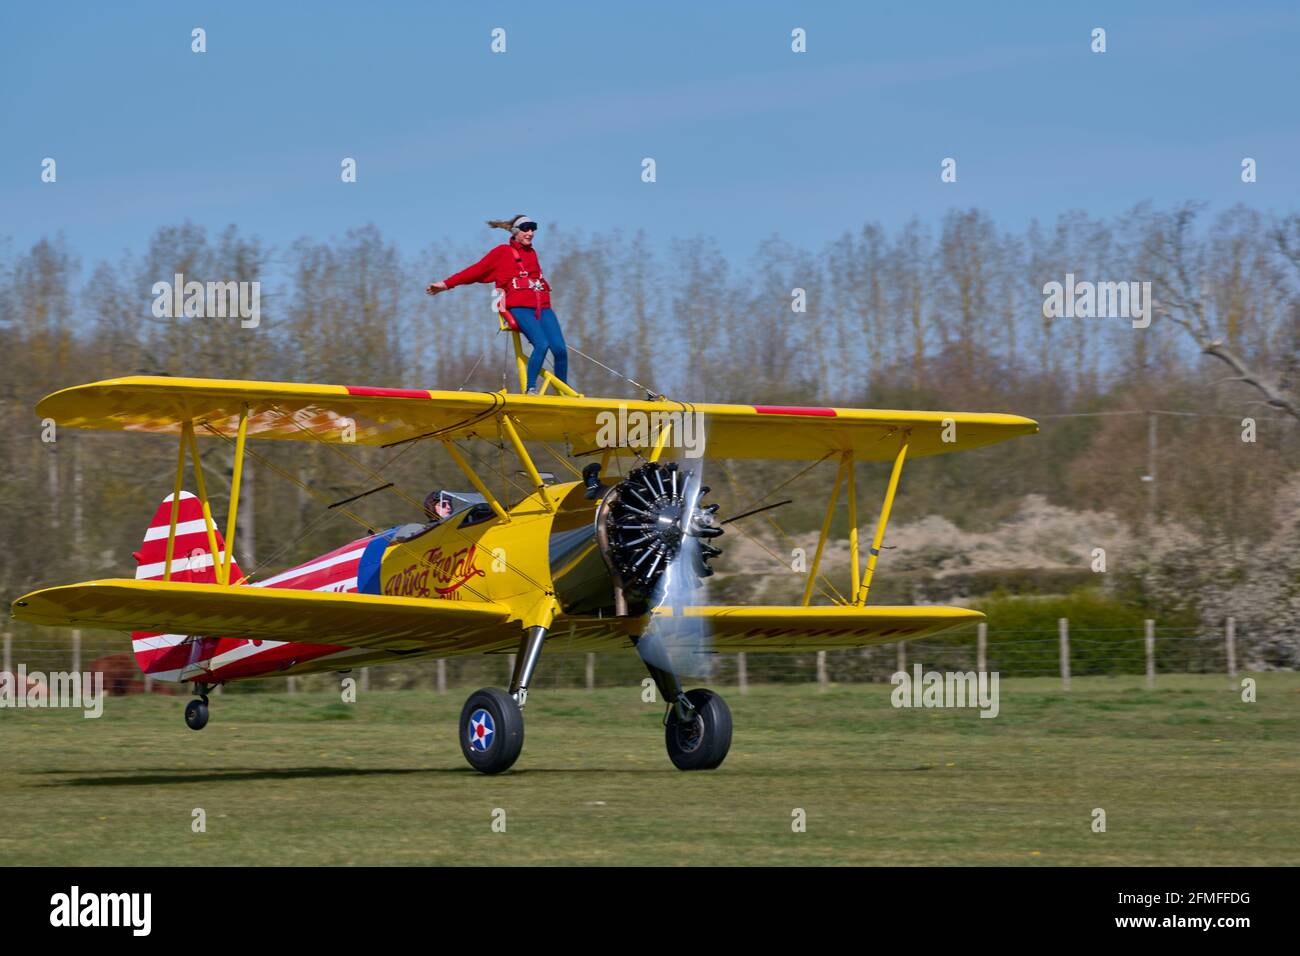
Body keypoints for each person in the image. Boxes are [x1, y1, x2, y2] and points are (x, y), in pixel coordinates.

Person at [426, 214, 571, 394]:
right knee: (541, 344)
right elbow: (476, 270)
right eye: (526, 228)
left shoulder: (532, 253)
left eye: (533, 229)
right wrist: (446, 284)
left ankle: (564, 392)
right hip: (520, 307)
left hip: (543, 307)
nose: (531, 233)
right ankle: (531, 389)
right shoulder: (502, 252)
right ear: (516, 232)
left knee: (560, 350)